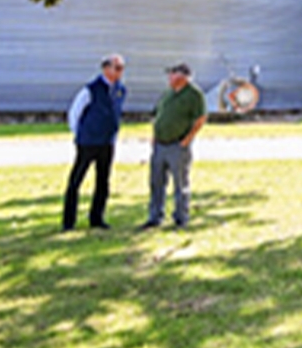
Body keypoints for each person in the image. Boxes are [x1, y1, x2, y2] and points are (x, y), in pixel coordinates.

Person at [62, 54, 126, 231]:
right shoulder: (91, 89)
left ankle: (97, 218)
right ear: (106, 69)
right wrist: (80, 134)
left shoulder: (120, 89)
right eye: (117, 68)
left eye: (122, 68)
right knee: (76, 181)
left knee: (103, 181)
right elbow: (75, 112)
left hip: (107, 142)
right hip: (88, 142)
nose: (120, 72)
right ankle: (69, 221)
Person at [140, 62, 206, 230]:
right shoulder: (168, 93)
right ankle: (155, 216)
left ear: (183, 76)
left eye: (172, 74)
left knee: (180, 183)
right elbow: (158, 114)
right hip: (160, 145)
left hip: (177, 145)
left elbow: (200, 118)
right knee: (156, 182)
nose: (169, 77)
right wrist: (155, 135)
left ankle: (181, 217)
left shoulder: (194, 95)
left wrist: (187, 139)